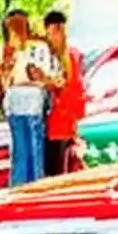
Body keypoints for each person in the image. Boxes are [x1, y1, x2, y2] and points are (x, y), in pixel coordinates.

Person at [0, 9, 62, 185]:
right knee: (20, 149)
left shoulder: (37, 47)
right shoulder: (10, 51)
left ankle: (34, 184)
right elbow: (4, 80)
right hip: (16, 103)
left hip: (32, 102)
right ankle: (19, 185)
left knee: (33, 146)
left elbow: (47, 76)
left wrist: (36, 78)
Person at [43, 10, 85, 176]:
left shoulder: (71, 56)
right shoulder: (49, 56)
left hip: (66, 122)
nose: (58, 36)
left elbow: (69, 86)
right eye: (54, 32)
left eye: (60, 31)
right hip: (58, 123)